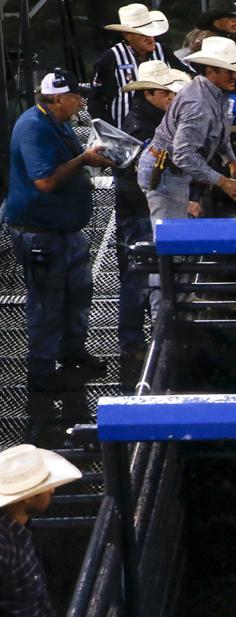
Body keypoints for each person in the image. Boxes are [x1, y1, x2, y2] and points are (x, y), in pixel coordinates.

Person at [5, 70, 112, 392]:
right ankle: (41, 372)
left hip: (67, 230)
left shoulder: (60, 120)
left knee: (79, 295)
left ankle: (72, 352)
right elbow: (45, 181)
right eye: (76, 97)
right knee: (47, 304)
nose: (81, 102)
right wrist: (84, 160)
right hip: (40, 232)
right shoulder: (34, 128)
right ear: (59, 99)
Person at [113, 62, 192, 365]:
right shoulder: (140, 126)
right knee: (140, 276)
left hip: (144, 203)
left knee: (149, 275)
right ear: (149, 93)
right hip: (140, 208)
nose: (172, 98)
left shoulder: (153, 119)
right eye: (166, 93)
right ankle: (134, 344)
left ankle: (146, 340)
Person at [138, 36, 236, 224]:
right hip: (166, 171)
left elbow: (219, 133)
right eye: (229, 71)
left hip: (170, 168)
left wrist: (232, 162)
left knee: (176, 232)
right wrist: (223, 182)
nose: (235, 76)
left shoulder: (215, 93)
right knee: (172, 236)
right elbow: (183, 154)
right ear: (211, 71)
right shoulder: (198, 104)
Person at [0, 445, 83, 617]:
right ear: (27, 498)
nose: (53, 490)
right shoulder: (5, 546)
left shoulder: (18, 532)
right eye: (45, 487)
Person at [91, 3, 191, 129]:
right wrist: (110, 133)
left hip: (165, 127)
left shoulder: (164, 51)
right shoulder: (111, 58)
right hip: (125, 132)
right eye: (143, 34)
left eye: (151, 33)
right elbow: (96, 101)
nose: (150, 38)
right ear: (127, 35)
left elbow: (190, 75)